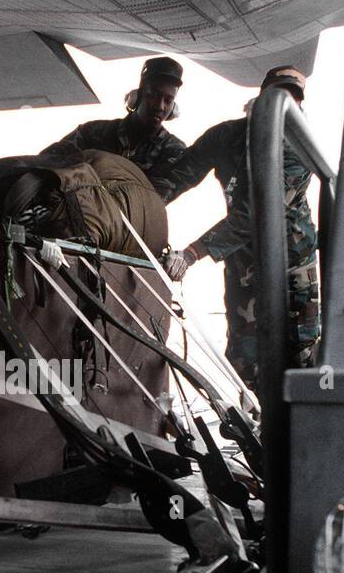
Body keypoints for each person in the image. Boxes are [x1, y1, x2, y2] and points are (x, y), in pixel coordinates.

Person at [151, 65, 318, 393]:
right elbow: (179, 175)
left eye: (292, 100)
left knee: (303, 360)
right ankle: (257, 430)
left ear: (298, 108)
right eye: (276, 96)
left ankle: (309, 433)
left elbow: (255, 213)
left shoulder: (298, 149)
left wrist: (194, 252)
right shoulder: (226, 136)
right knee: (244, 362)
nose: (284, 105)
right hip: (244, 266)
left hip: (292, 268)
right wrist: (139, 203)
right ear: (261, 99)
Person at [41, 56, 187, 186]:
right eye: (153, 95)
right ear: (136, 96)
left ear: (173, 108)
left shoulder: (173, 150)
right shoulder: (92, 131)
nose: (160, 106)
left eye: (168, 100)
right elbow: (47, 160)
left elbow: (153, 200)